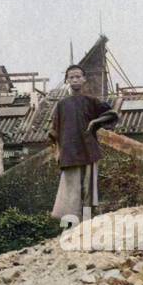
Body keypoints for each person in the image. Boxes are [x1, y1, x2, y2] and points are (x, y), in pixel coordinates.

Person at [49, 65, 117, 221]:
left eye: (78, 76)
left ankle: (87, 226)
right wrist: (58, 152)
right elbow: (54, 132)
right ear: (67, 80)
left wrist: (95, 121)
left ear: (84, 79)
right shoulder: (62, 105)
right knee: (70, 195)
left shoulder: (91, 101)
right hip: (69, 153)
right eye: (71, 77)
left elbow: (111, 114)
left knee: (88, 191)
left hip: (88, 150)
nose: (75, 80)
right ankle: (68, 230)